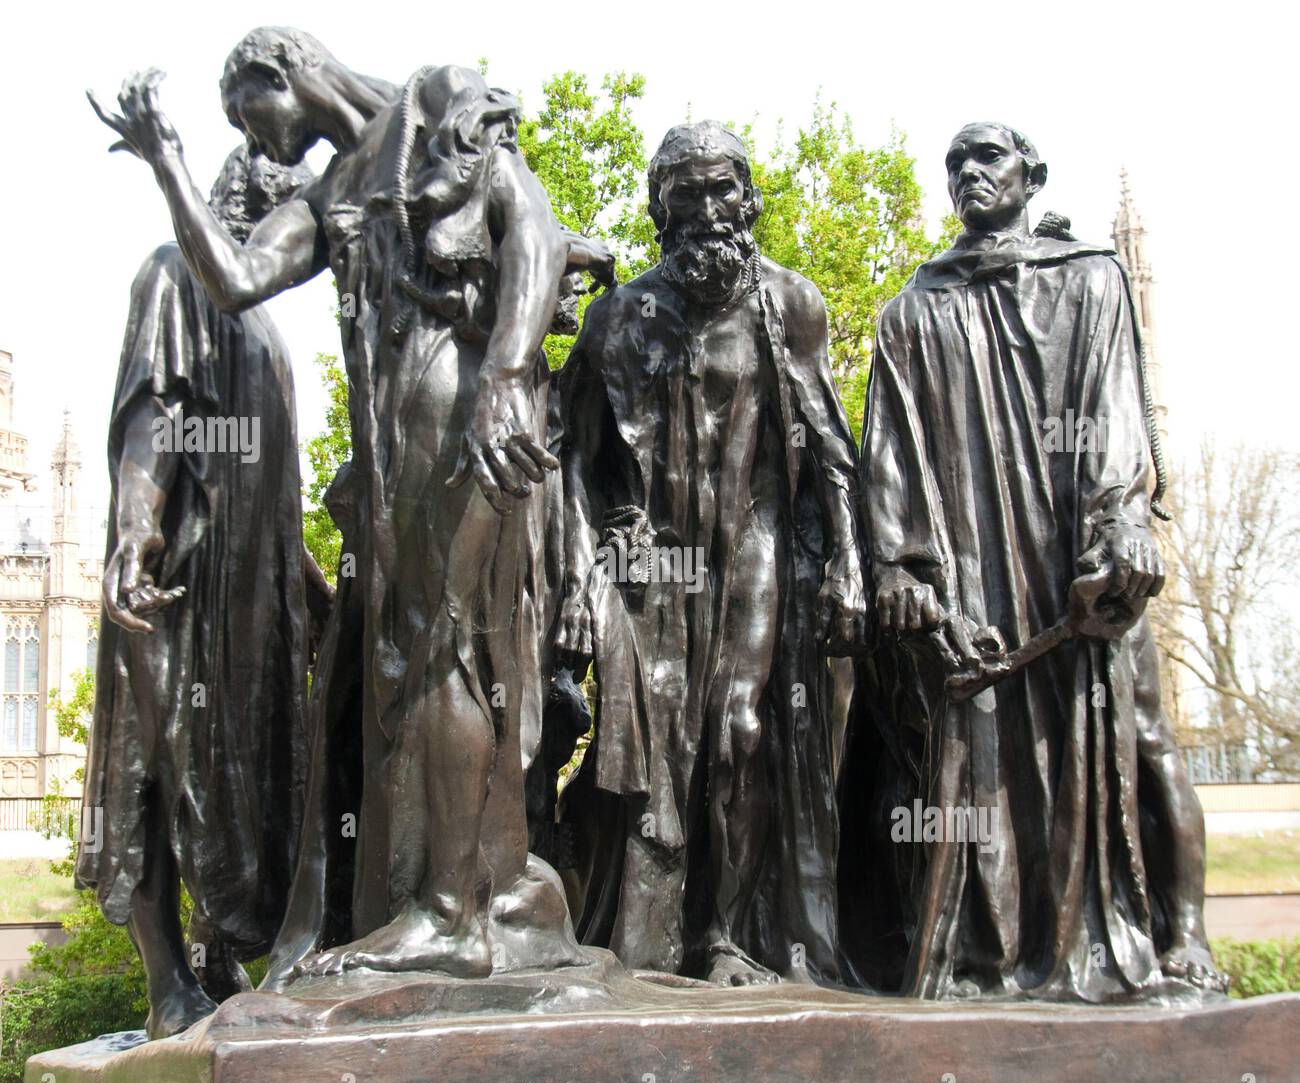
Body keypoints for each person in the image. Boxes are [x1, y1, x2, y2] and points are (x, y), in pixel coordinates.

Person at [91, 28, 611, 987]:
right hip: (396, 433)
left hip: (462, 405)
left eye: (252, 112)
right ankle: (481, 889)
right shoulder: (333, 190)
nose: (254, 140)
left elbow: (529, 225)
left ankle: (452, 916)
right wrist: (164, 161)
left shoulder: (439, 98)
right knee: (416, 653)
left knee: (447, 644)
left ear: (283, 73)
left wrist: (503, 372)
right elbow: (239, 275)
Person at [847, 121, 1225, 1002]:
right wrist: (902, 567)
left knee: (1142, 736)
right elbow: (891, 450)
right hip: (976, 585)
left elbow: (1115, 411)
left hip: (1079, 571)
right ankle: (992, 954)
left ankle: (1182, 934)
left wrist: (1122, 522)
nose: (968, 175)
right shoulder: (914, 311)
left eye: (987, 158)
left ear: (1032, 175)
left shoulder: (1092, 281)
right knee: (975, 764)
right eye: (954, 165)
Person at [554, 122, 864, 985]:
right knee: (653, 755)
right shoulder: (618, 319)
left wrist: (848, 561)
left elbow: (831, 447)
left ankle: (725, 934)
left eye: (720, 188)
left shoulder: (790, 304)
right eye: (682, 192)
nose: (703, 208)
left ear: (749, 198)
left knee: (740, 729)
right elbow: (566, 456)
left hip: (755, 546)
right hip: (649, 566)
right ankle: (643, 938)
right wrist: (583, 570)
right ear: (658, 207)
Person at [78, 143, 315, 1038]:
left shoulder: (266, 332)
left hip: (255, 587)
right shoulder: (175, 276)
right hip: (179, 572)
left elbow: (271, 484)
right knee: (154, 763)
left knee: (237, 771)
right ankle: (166, 980)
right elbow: (154, 409)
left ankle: (219, 959)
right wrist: (136, 528)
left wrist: (313, 589)